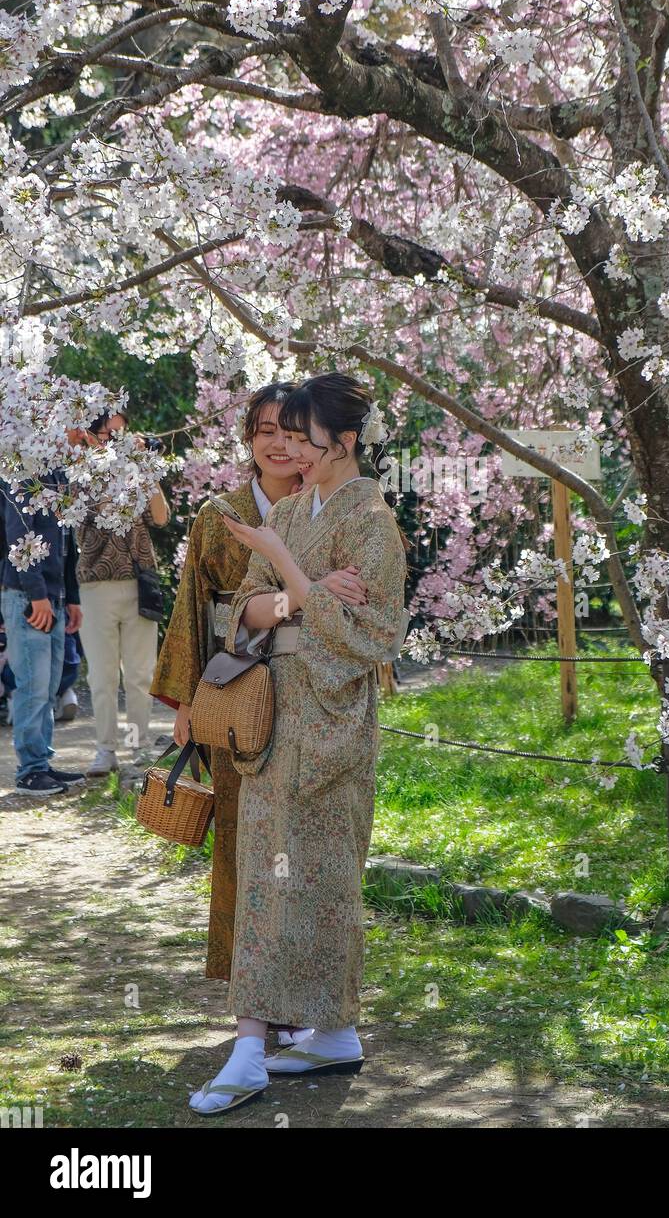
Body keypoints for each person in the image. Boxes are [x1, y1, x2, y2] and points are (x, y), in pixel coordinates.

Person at [188, 372, 408, 1117]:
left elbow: (373, 636)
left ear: (344, 442)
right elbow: (242, 617)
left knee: (324, 881)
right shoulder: (287, 508)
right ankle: (255, 1044)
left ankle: (331, 1027)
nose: (292, 451)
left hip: (334, 723)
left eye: (305, 439)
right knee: (264, 879)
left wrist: (286, 568)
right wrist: (305, 591)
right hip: (272, 721)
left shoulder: (372, 520)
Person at [150, 382, 370, 986]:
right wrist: (189, 702)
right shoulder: (218, 516)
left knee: (310, 837)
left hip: (313, 683)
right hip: (237, 685)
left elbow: (358, 604)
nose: (280, 444)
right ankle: (244, 977)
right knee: (242, 838)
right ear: (248, 439)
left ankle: (302, 985)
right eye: (266, 431)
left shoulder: (331, 504)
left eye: (293, 433)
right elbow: (194, 610)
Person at [76, 410, 171, 775]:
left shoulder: (137, 472)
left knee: (140, 675)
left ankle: (138, 747)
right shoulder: (79, 472)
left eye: (122, 434)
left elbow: (160, 517)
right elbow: (92, 523)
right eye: (109, 434)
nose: (116, 441)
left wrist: (145, 468)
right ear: (93, 434)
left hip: (139, 583)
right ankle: (105, 749)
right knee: (102, 677)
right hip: (96, 586)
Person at [0, 428, 88, 795]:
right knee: (33, 686)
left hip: (53, 595)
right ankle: (29, 771)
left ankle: (42, 763)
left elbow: (66, 543)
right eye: (73, 424)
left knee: (49, 685)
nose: (80, 433)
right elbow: (18, 536)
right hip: (27, 595)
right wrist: (37, 594)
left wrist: (72, 596)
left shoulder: (58, 476)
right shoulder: (21, 470)